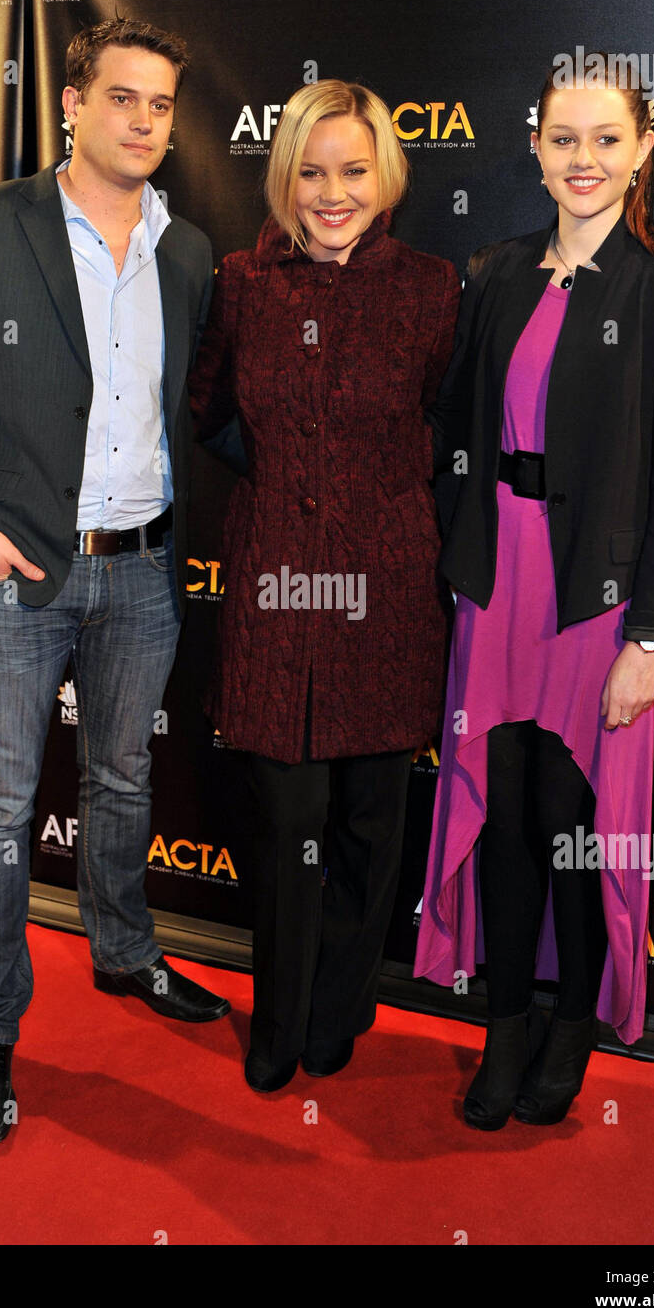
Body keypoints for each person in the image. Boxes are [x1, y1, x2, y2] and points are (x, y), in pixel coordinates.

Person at [0, 19, 231, 1149]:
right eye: (121, 98)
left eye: (162, 105)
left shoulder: (187, 250)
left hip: (140, 570)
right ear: (72, 103)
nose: (142, 120)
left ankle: (125, 951)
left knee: (124, 780)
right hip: (15, 574)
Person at [415, 56, 654, 1129]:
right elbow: (453, 430)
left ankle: (572, 1024)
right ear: (536, 148)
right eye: (563, 138)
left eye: (606, 139)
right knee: (501, 814)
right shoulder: (496, 271)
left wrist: (652, 635)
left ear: (643, 148)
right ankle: (504, 1023)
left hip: (598, 599)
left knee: (570, 823)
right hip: (496, 582)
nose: (582, 158)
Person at [188, 80, 461, 1092]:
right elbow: (209, 411)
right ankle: (281, 1013)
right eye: (311, 171)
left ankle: (342, 1009)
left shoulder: (432, 290)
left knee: (370, 821)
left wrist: (368, 500)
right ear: (285, 174)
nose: (332, 193)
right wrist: (286, 484)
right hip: (274, 593)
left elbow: (448, 426)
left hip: (385, 591)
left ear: (384, 172)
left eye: (352, 170)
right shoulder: (242, 282)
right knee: (288, 820)